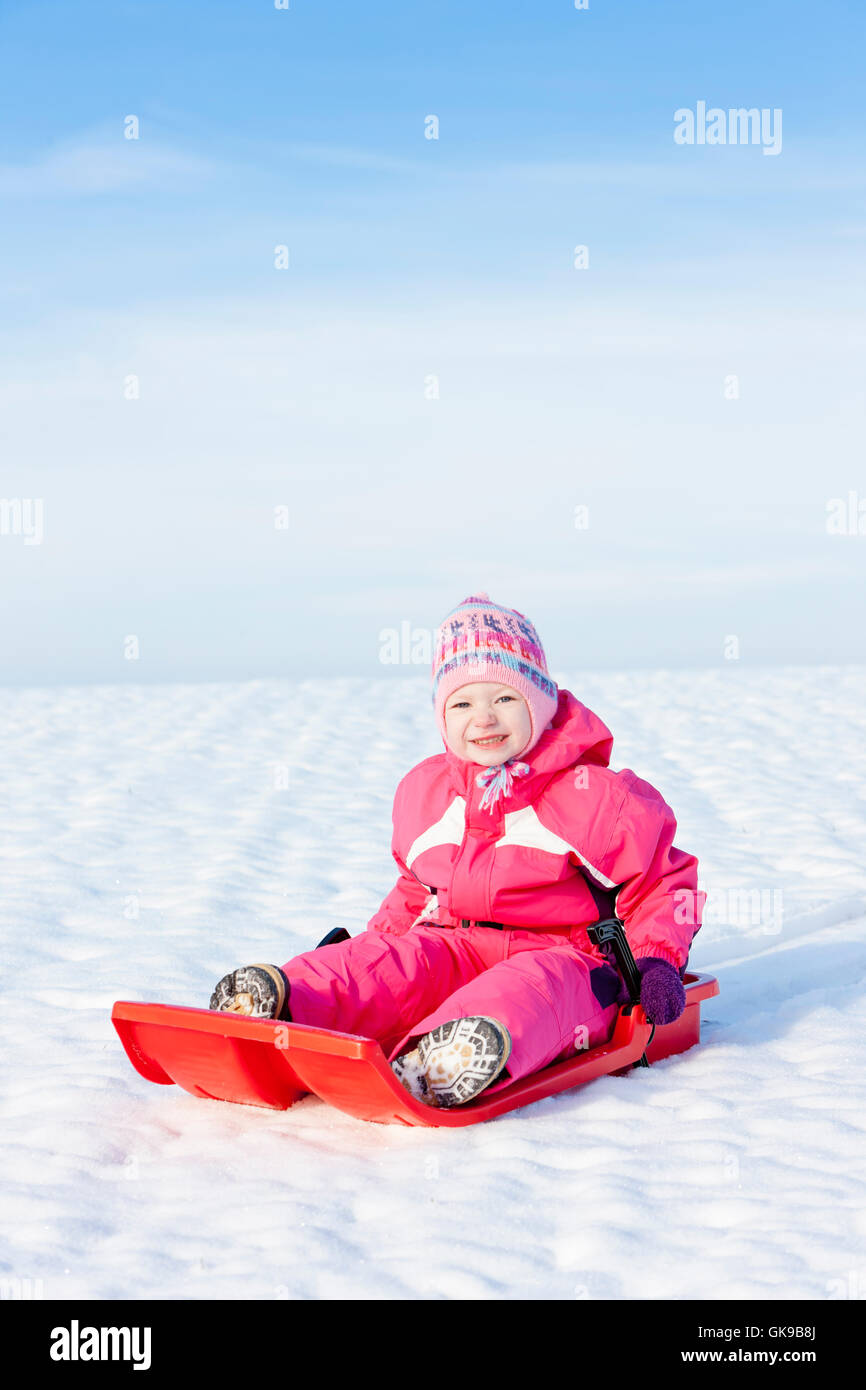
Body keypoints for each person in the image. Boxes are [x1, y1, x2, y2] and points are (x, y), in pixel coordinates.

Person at [209, 592, 706, 1108]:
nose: (484, 719)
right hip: (455, 945)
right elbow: (414, 890)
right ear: (443, 716)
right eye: (463, 703)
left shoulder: (597, 797)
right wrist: (370, 947)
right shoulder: (428, 793)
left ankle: (448, 1056)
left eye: (504, 699)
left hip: (570, 958)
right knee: (394, 965)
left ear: (540, 701)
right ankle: (283, 1005)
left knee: (531, 988)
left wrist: (656, 961)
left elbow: (664, 885)